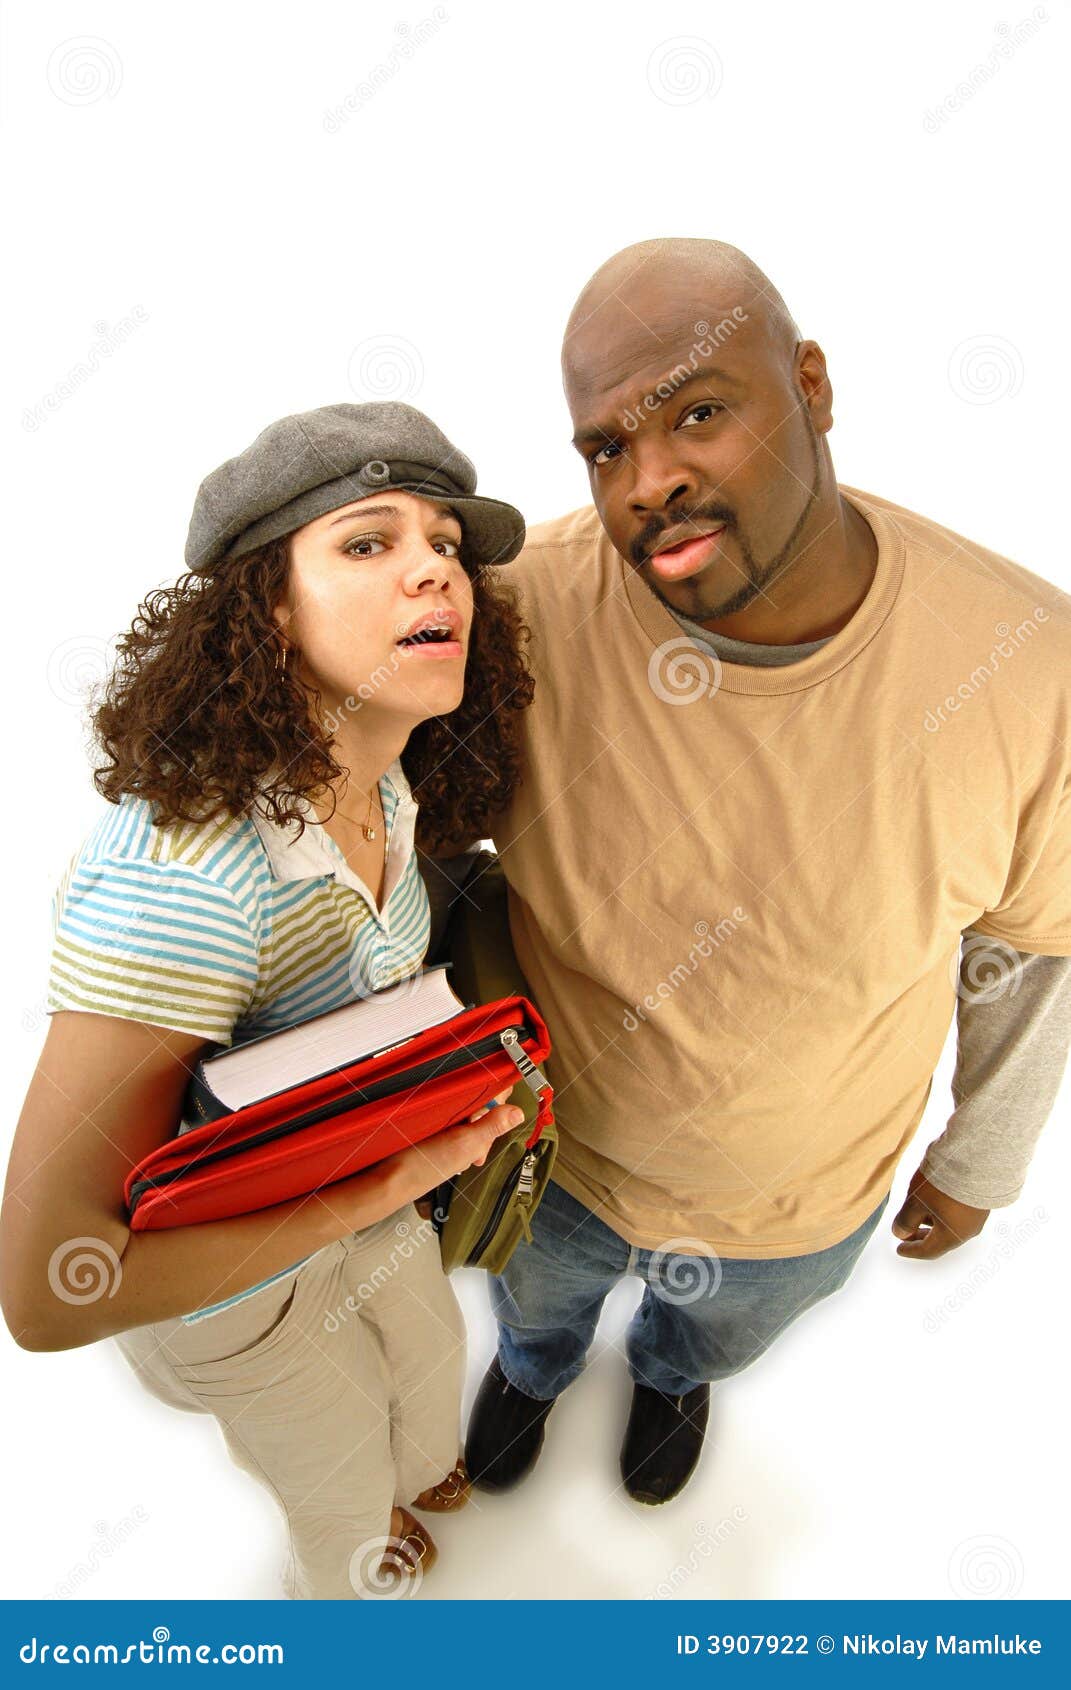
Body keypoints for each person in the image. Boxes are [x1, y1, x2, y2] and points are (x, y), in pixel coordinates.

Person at [456, 237, 1071, 1507]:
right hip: (554, 1163)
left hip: (799, 1209)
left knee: (708, 1338)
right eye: (607, 447)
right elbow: (384, 824)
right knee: (537, 1310)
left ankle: (675, 1379)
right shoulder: (514, 615)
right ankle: (534, 1369)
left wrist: (981, 1164)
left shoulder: (1026, 663)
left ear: (811, 385)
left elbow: (1034, 950)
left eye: (698, 412)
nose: (651, 482)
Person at [0, 401, 536, 1598]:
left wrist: (388, 1185)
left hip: (366, 1195)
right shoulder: (186, 879)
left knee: (430, 1356)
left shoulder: (385, 772)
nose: (432, 567)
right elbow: (43, 1289)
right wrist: (387, 1184)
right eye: (367, 542)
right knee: (340, 1495)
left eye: (447, 544)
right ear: (270, 609)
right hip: (240, 1283)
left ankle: (419, 1463)